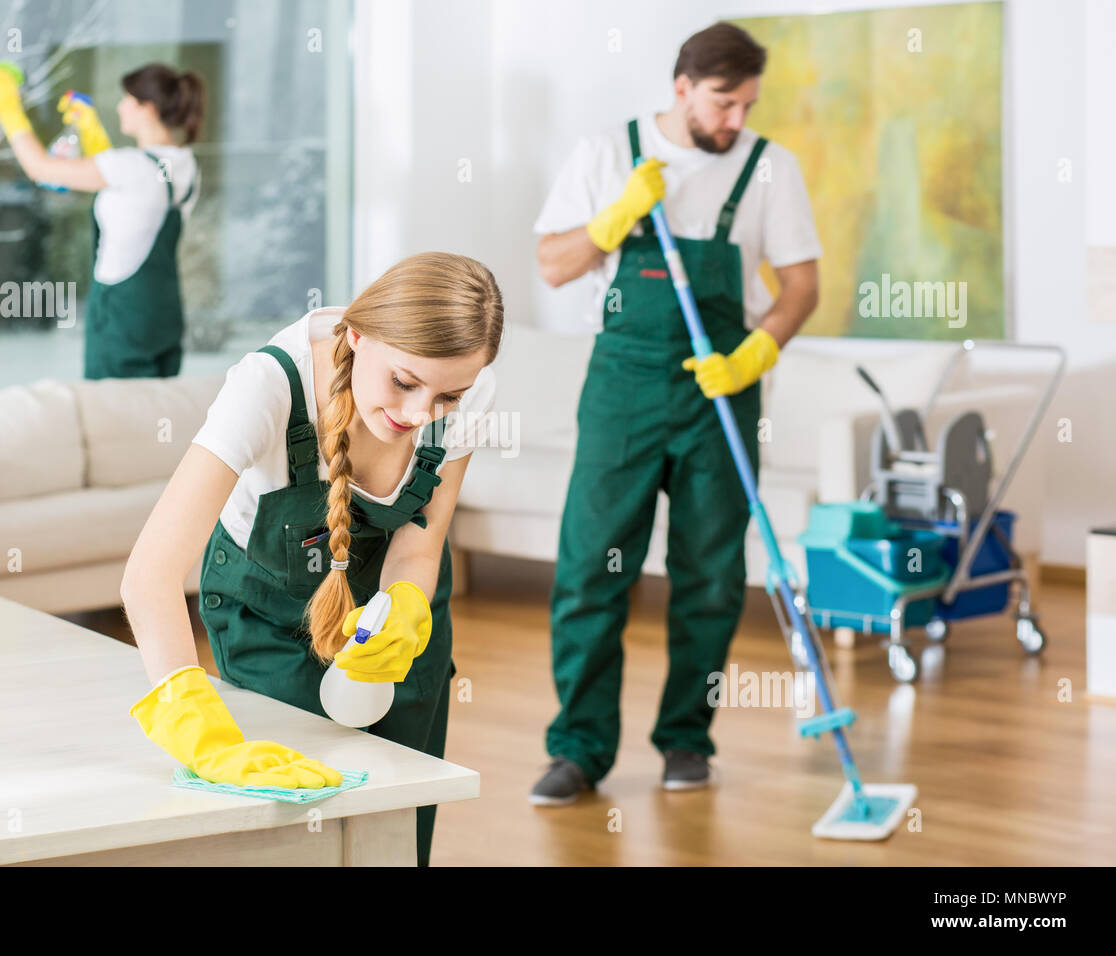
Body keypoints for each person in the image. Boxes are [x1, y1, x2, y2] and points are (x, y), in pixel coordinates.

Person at [120, 252, 503, 867]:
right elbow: (149, 577)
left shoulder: (467, 389)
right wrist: (198, 733)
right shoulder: (269, 385)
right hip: (271, 608)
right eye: (404, 382)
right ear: (357, 333)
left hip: (394, 618)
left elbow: (421, 539)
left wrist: (406, 600)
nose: (417, 415)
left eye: (447, 396)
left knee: (396, 820)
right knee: (300, 828)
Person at [530, 21, 822, 805]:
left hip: (721, 390)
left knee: (713, 575)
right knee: (592, 567)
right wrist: (613, 218)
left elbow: (801, 285)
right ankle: (579, 750)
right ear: (682, 87)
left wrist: (756, 353)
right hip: (621, 387)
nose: (735, 121)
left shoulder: (769, 168)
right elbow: (553, 265)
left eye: (746, 105)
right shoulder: (607, 153)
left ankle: (686, 741)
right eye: (723, 103)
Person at [0, 61, 204, 379]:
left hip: (120, 314)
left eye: (128, 99)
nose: (121, 105)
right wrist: (89, 130)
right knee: (153, 408)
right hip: (162, 311)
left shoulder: (131, 166)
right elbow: (133, 194)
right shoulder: (185, 164)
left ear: (148, 108)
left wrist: (8, 107)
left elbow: (39, 168)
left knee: (112, 413)